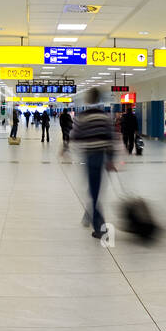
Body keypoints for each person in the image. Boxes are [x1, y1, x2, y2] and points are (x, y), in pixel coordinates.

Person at [68, 87, 119, 238]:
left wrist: (67, 149)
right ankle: (89, 215)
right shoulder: (105, 116)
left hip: (89, 156)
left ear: (88, 99)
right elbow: (111, 138)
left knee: (93, 190)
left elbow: (75, 134)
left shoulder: (82, 116)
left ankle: (100, 228)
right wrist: (110, 160)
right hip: (101, 156)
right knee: (95, 188)